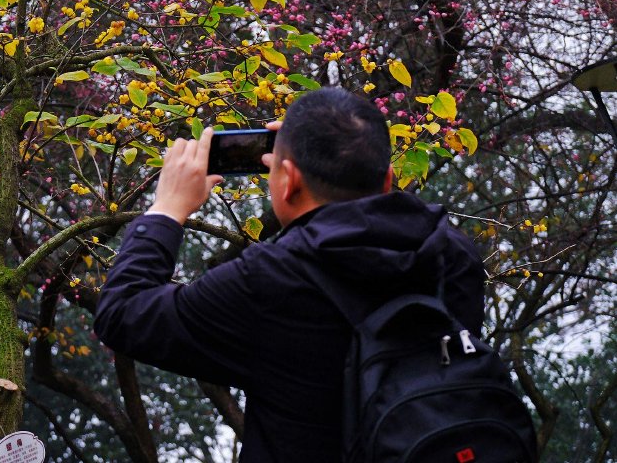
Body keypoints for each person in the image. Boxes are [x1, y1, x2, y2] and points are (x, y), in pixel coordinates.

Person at [93, 87, 486, 462]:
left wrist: (167, 208)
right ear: (386, 181)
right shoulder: (452, 255)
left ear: (289, 180)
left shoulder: (269, 281)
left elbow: (124, 313)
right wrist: (326, 156)